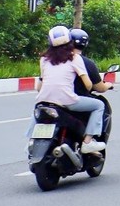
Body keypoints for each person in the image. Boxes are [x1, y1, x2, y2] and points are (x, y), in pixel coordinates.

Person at [38, 25, 106, 154]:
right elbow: (88, 85)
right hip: (67, 101)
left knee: (37, 115)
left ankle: (30, 144)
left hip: (43, 99)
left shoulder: (44, 59)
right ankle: (88, 142)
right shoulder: (75, 58)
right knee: (99, 105)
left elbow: (38, 87)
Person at [70, 28, 111, 140]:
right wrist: (108, 85)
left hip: (51, 99)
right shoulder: (83, 61)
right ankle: (89, 140)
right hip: (73, 99)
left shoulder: (53, 59)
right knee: (99, 105)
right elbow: (96, 87)